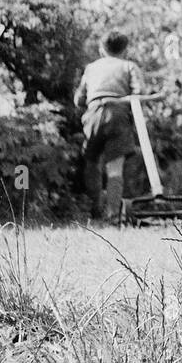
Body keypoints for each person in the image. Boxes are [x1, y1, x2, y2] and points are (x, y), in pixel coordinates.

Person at [74, 30, 158, 222]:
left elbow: (78, 99)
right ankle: (112, 215)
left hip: (93, 114)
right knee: (114, 169)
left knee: (92, 162)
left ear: (102, 49)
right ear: (125, 49)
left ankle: (95, 208)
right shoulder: (129, 66)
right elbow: (139, 94)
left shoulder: (91, 68)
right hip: (118, 115)